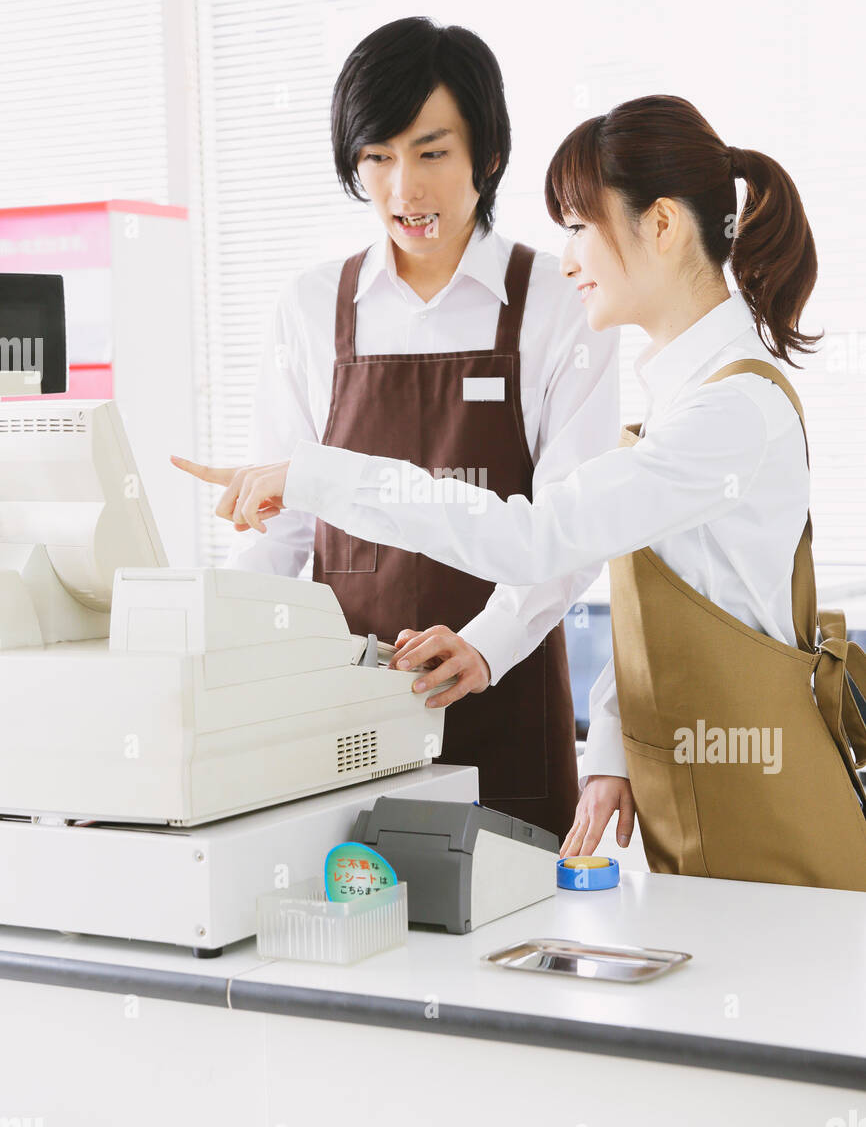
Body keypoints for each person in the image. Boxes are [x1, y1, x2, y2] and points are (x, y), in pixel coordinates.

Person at [176, 92, 866, 889]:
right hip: (709, 792)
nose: (568, 257)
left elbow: (537, 537)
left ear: (664, 226)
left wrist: (317, 471)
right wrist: (611, 747)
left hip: (763, 808)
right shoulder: (690, 395)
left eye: (580, 226)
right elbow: (681, 605)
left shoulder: (730, 411)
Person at [174, 17, 620, 840]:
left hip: (504, 698)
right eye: (376, 157)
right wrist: (215, 647)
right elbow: (284, 534)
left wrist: (486, 643)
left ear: (487, 155)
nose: (402, 190)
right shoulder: (312, 308)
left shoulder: (562, 303)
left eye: (431, 153)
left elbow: (574, 527)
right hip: (341, 720)